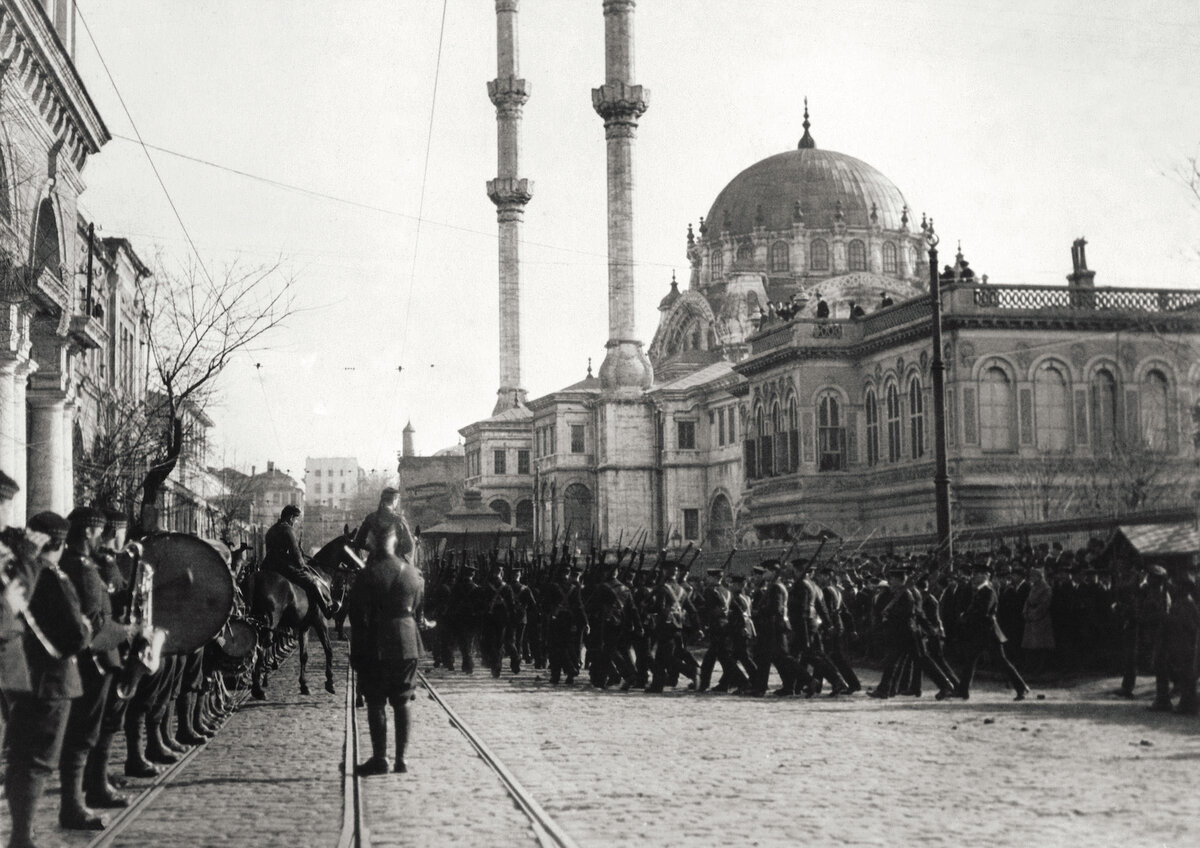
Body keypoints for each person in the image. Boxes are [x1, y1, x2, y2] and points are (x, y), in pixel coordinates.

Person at [58, 507, 130, 831]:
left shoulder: (78, 564)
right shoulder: (83, 567)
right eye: (99, 531)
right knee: (83, 733)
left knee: (92, 729)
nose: (102, 537)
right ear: (88, 531)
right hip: (95, 661)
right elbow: (95, 625)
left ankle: (95, 788)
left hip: (97, 660)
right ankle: (73, 806)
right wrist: (128, 631)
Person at [348, 519, 425, 775]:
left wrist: (356, 654)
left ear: (374, 543)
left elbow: (357, 618)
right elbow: (416, 608)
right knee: (403, 701)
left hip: (375, 643)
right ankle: (401, 759)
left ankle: (380, 758)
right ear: (394, 542)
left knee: (376, 701)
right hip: (407, 642)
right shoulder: (413, 573)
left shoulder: (366, 575)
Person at [945, 561, 1030, 701]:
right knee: (970, 661)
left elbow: (983, 611)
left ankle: (1022, 687)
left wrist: (965, 617)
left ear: (986, 576)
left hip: (989, 633)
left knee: (1001, 661)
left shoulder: (989, 592)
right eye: (975, 574)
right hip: (981, 632)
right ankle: (963, 690)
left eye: (978, 575)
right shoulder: (981, 591)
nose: (975, 577)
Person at [262, 505, 337, 618]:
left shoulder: (271, 530)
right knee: (312, 581)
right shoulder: (288, 530)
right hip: (283, 567)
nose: (295, 522)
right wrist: (303, 565)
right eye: (295, 519)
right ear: (291, 517)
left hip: (267, 565)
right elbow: (295, 553)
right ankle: (326, 609)